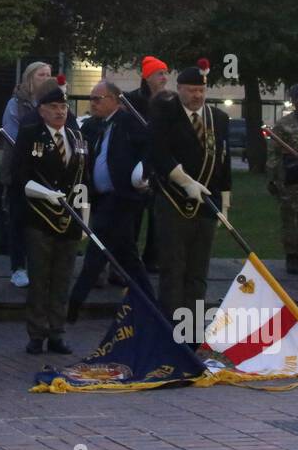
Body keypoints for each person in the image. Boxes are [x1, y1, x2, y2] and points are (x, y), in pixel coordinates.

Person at [144, 62, 231, 331]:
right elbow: (158, 153)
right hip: (173, 201)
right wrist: (185, 181)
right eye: (191, 90)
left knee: (198, 272)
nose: (197, 95)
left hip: (207, 203)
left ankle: (191, 330)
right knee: (173, 269)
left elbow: (223, 163)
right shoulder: (164, 112)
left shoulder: (217, 118)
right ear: (179, 89)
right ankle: (169, 329)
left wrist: (224, 203)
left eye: (201, 90)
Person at [11, 77, 86, 354]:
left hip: (69, 219)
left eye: (63, 107)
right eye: (53, 107)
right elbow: (19, 175)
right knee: (40, 278)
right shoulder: (31, 134)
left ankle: (57, 331)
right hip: (39, 218)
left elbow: (83, 178)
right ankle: (37, 332)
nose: (59, 112)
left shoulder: (77, 137)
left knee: (62, 278)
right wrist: (44, 194)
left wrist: (82, 215)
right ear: (41, 110)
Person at [67, 81, 152, 320]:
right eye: (91, 99)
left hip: (123, 198)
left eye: (98, 99)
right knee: (127, 254)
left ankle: (74, 302)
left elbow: (150, 149)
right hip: (101, 198)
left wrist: (143, 172)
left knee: (98, 246)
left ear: (115, 99)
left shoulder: (130, 123)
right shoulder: (93, 127)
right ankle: (151, 304)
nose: (92, 103)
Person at [0, 60, 51, 287]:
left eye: (49, 74)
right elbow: (13, 137)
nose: (46, 78)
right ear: (30, 78)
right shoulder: (16, 104)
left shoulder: (54, 102)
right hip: (20, 169)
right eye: (41, 74)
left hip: (46, 170)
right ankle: (18, 266)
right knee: (19, 219)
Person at [126, 55, 169, 272]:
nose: (164, 77)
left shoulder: (168, 101)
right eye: (160, 73)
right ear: (148, 76)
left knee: (157, 216)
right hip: (136, 162)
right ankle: (129, 259)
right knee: (132, 215)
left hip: (157, 165)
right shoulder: (131, 100)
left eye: (165, 73)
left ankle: (153, 258)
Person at [267, 83, 298, 275]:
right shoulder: (284, 124)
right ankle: (291, 255)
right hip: (290, 176)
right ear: (293, 101)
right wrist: (273, 178)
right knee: (290, 218)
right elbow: (273, 153)